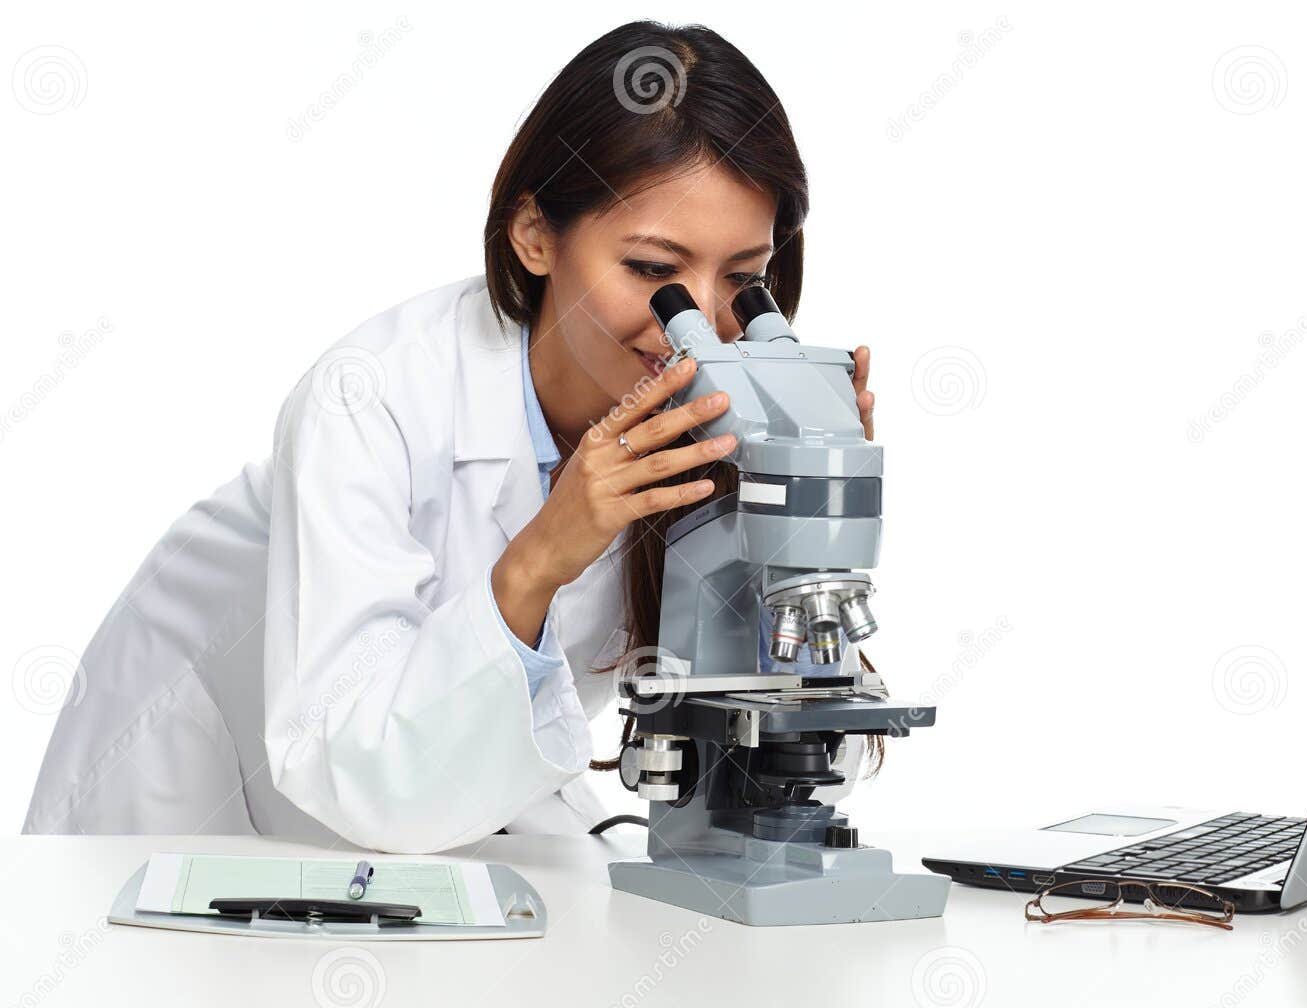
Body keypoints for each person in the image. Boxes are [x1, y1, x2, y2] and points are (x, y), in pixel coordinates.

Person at [23, 21, 877, 852]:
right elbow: (349, 752)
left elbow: (694, 701)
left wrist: (783, 505)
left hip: (444, 783)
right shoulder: (372, 399)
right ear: (536, 235)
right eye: (654, 271)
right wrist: (545, 552)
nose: (695, 321)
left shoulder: (692, 424)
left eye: (742, 280)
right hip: (195, 772)